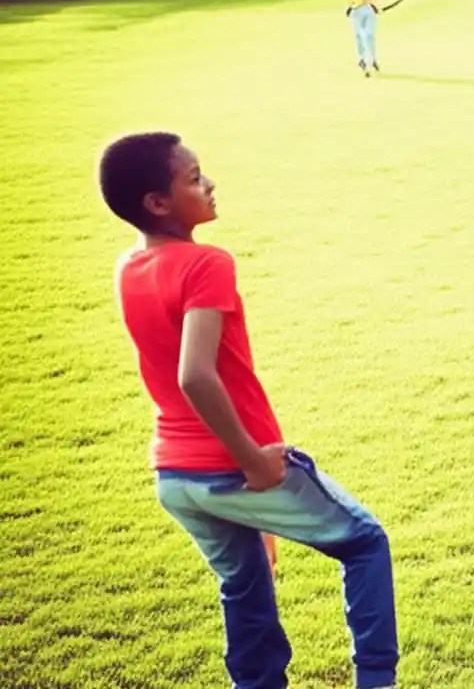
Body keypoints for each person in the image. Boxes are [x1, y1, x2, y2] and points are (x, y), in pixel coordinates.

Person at [101, 132, 398, 689]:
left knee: (244, 585)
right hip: (230, 466)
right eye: (193, 178)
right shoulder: (206, 263)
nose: (209, 184)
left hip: (175, 476)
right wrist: (254, 462)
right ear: (156, 203)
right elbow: (193, 373)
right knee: (365, 543)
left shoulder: (128, 266)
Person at [342, 0, 380, 77]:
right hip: (355, 11)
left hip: (368, 8)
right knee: (359, 35)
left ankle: (372, 59)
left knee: (369, 35)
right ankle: (362, 59)